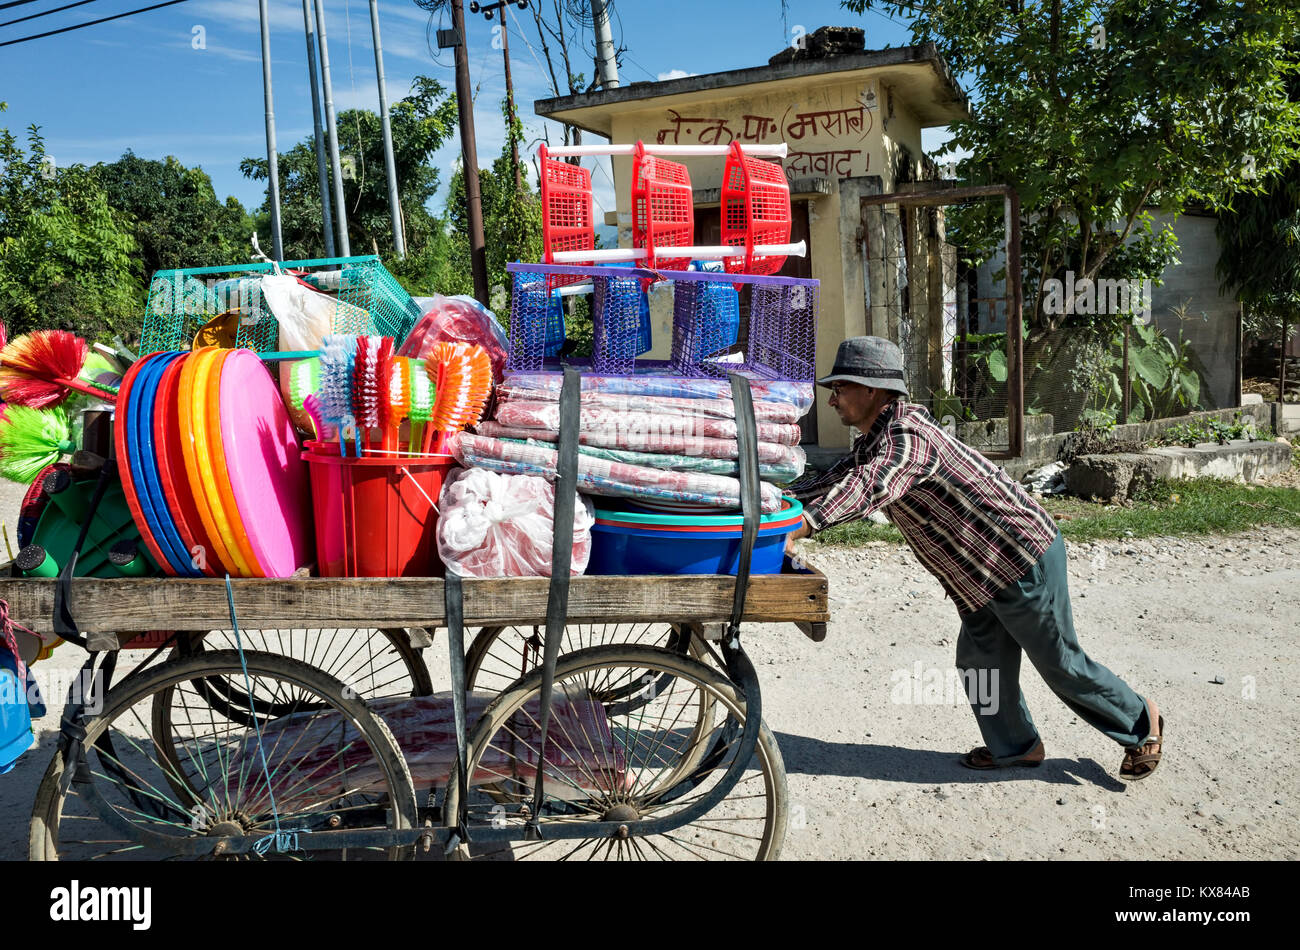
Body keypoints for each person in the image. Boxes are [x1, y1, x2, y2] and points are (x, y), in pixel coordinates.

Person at [787, 336, 1164, 780]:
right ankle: (1018, 747)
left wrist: (806, 523)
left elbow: (870, 486)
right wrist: (776, 504)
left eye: (841, 388)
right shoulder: (876, 440)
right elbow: (840, 477)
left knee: (1061, 663)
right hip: (977, 575)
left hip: (1019, 558)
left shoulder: (909, 436)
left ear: (872, 390)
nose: (832, 400)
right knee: (979, 664)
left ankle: (1142, 723)